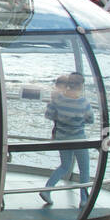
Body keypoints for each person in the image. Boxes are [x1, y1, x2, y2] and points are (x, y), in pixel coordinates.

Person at [41, 73, 95, 207]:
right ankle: (83, 199)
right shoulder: (83, 102)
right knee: (84, 169)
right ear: (81, 85)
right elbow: (90, 120)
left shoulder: (58, 99)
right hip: (78, 139)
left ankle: (47, 189)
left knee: (64, 165)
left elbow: (49, 115)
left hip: (62, 137)